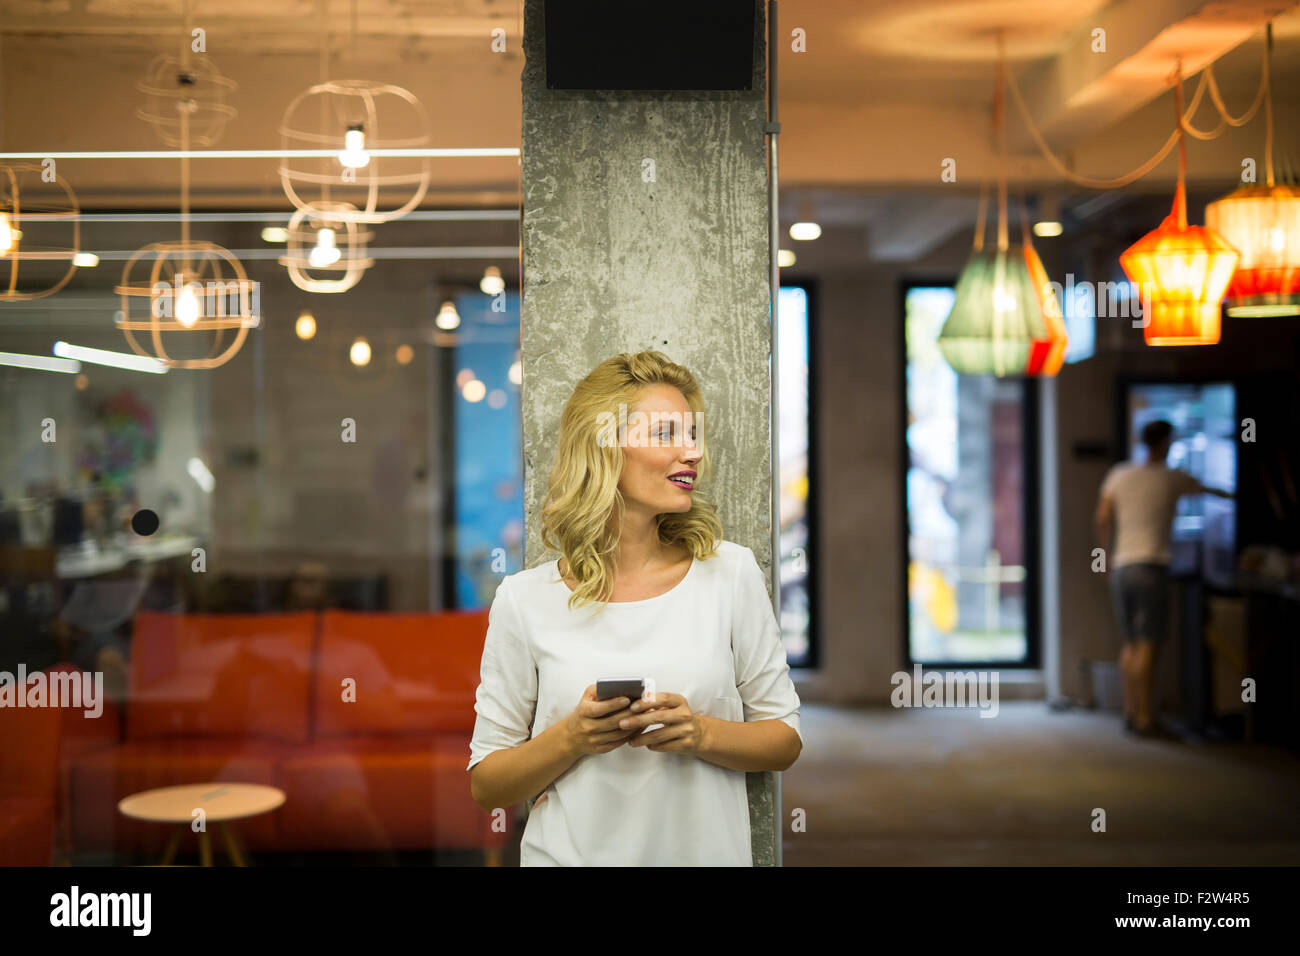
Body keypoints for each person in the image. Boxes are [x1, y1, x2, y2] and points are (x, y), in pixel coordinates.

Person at [466, 350, 803, 866]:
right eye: (667, 434)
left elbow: (784, 739)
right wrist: (572, 738)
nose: (691, 453)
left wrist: (701, 732)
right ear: (604, 447)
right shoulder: (524, 600)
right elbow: (488, 784)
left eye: (692, 435)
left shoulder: (730, 575)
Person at [1094, 419, 1233, 737]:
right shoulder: (1173, 478)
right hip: (1152, 567)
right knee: (1148, 644)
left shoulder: (1119, 474)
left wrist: (1102, 562)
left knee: (1129, 643)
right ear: (1167, 443)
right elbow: (1211, 491)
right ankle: (1144, 718)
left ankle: (1131, 712)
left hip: (1122, 566)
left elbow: (1101, 518)